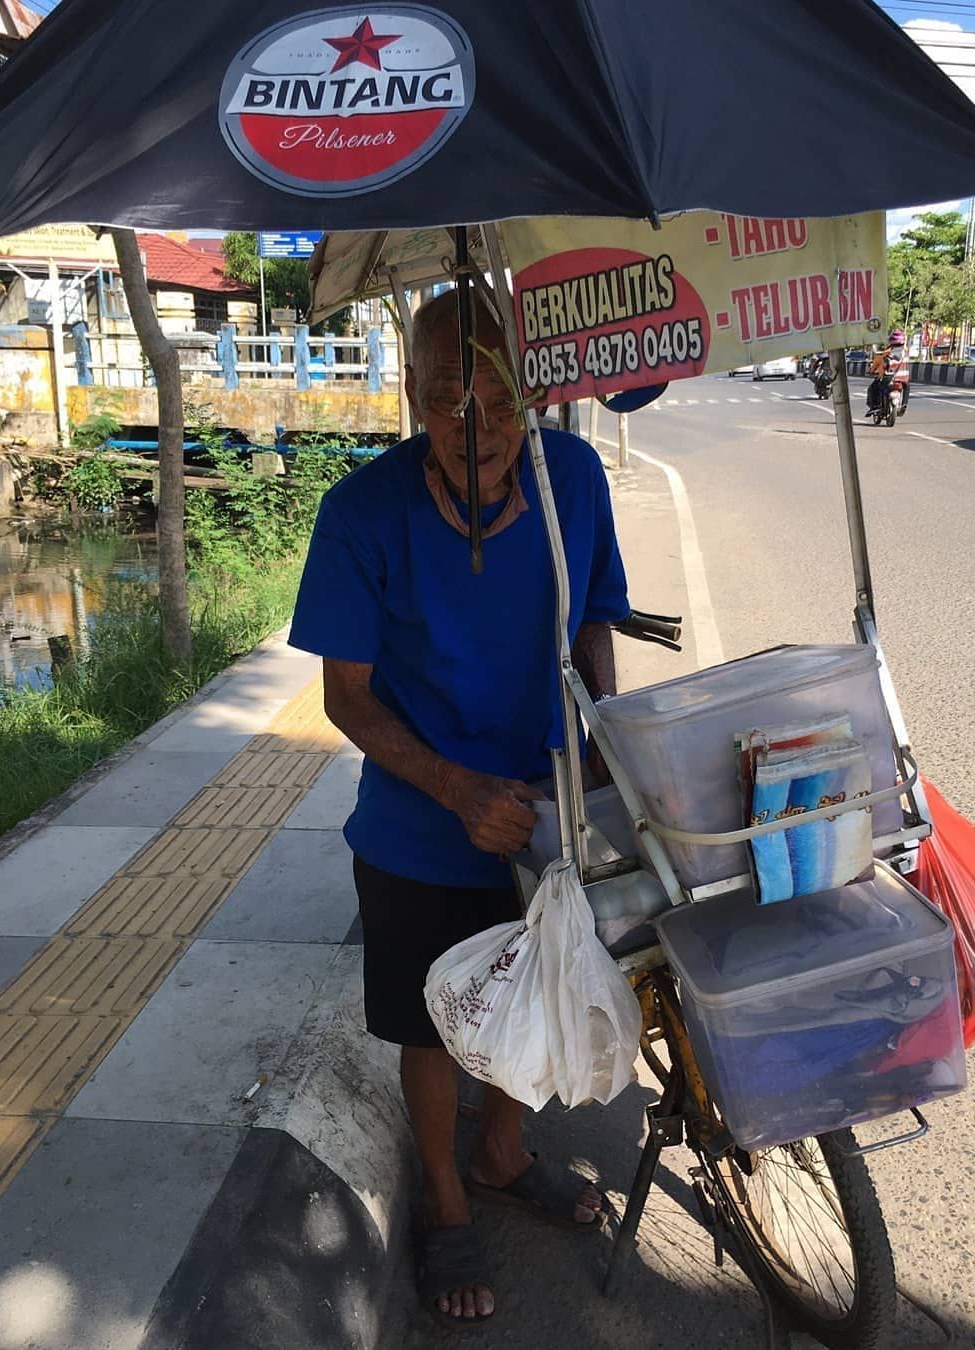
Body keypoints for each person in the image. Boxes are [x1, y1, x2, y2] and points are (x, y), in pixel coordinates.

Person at [288, 290, 630, 1327]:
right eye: (447, 399)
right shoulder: (359, 512)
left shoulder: (570, 474)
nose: (475, 424)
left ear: (532, 397)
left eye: (499, 396)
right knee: (431, 1023)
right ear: (410, 399)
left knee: (536, 983)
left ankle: (501, 1151)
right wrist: (453, 786)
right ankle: (443, 1198)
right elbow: (345, 694)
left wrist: (606, 751)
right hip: (416, 820)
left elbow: (595, 624)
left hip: (545, 803)